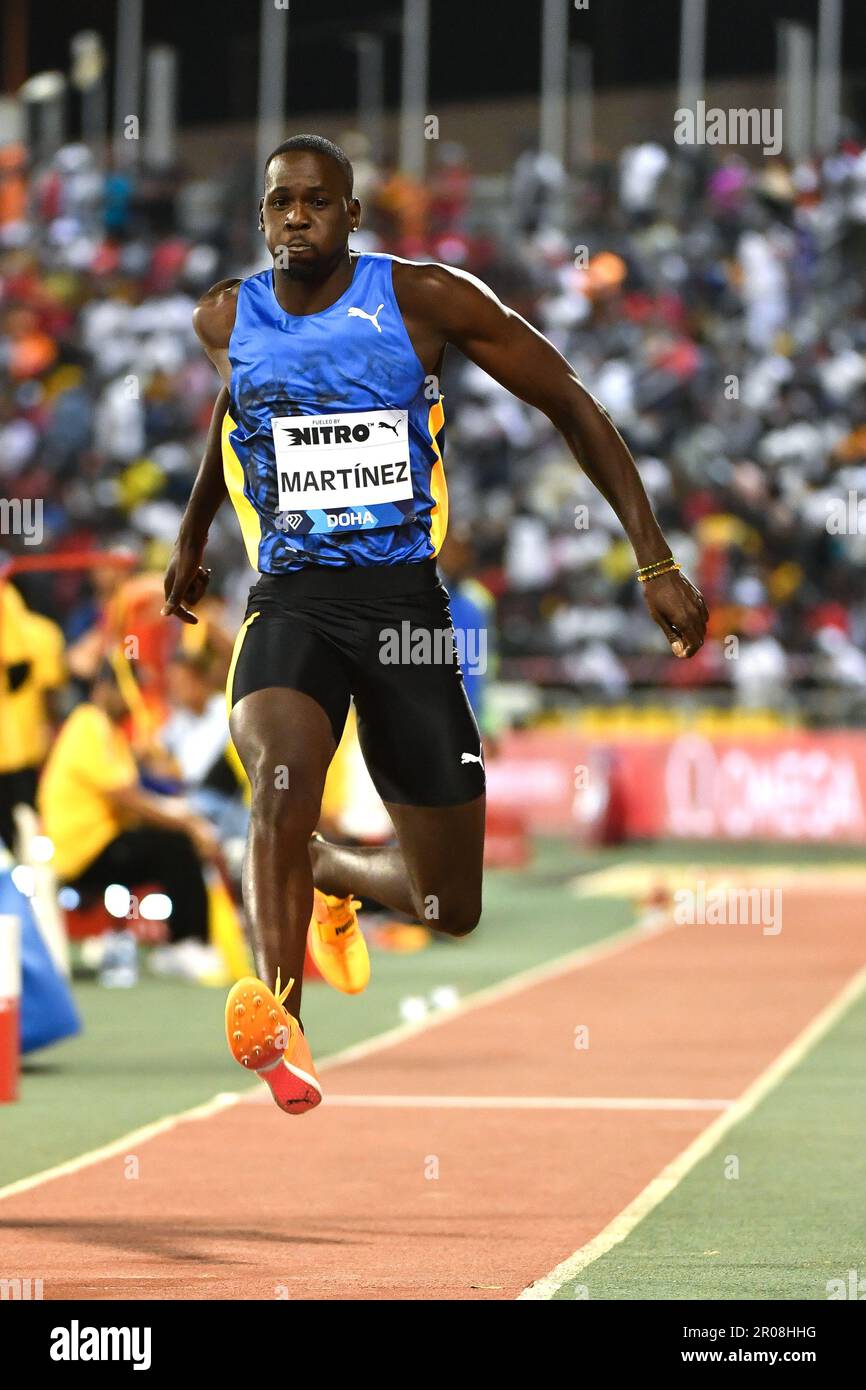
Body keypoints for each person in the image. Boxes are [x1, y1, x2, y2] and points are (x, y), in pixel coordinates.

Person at [163, 134, 707, 1116]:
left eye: (316, 201)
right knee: (279, 773)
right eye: (280, 201)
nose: (296, 217)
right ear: (261, 217)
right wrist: (192, 536)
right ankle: (282, 1026)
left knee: (446, 904)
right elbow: (239, 409)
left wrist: (653, 556)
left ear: (351, 215)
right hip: (291, 600)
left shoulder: (422, 300)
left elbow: (568, 401)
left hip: (404, 608)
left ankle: (331, 871)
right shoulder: (222, 317)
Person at [37, 658, 222, 982]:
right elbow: (128, 798)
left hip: (99, 843)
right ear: (105, 688)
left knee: (168, 841)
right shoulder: (88, 724)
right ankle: (187, 943)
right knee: (173, 845)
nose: (131, 698)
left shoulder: (109, 732)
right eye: (126, 690)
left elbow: (142, 786)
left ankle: (184, 943)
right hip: (82, 852)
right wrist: (188, 823)